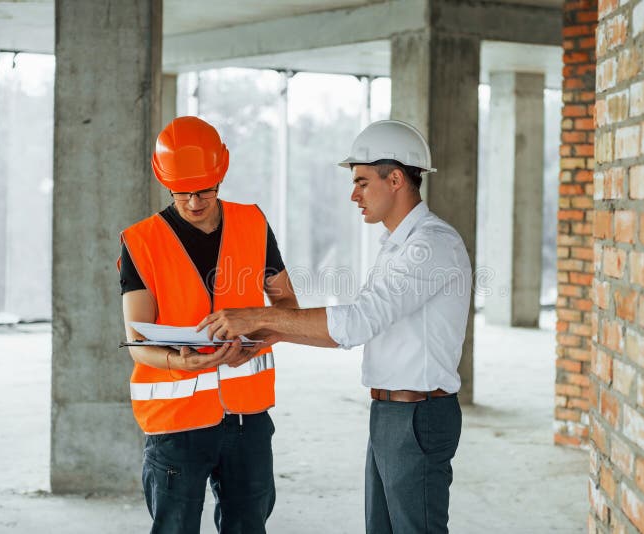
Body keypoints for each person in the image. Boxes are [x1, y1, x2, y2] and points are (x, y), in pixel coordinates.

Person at [199, 119, 473, 533]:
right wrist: (277, 333)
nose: (354, 194)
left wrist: (259, 315)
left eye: (362, 182)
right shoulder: (397, 245)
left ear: (396, 179)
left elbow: (358, 321)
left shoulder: (429, 245)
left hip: (418, 415)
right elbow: (360, 328)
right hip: (392, 412)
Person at [118, 116, 297, 534]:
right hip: (175, 423)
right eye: (182, 192)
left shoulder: (253, 223)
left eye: (205, 190)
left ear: (221, 173)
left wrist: (255, 339)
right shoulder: (141, 241)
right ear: (165, 181)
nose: (195, 201)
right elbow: (137, 340)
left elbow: (286, 305)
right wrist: (181, 364)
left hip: (246, 420)